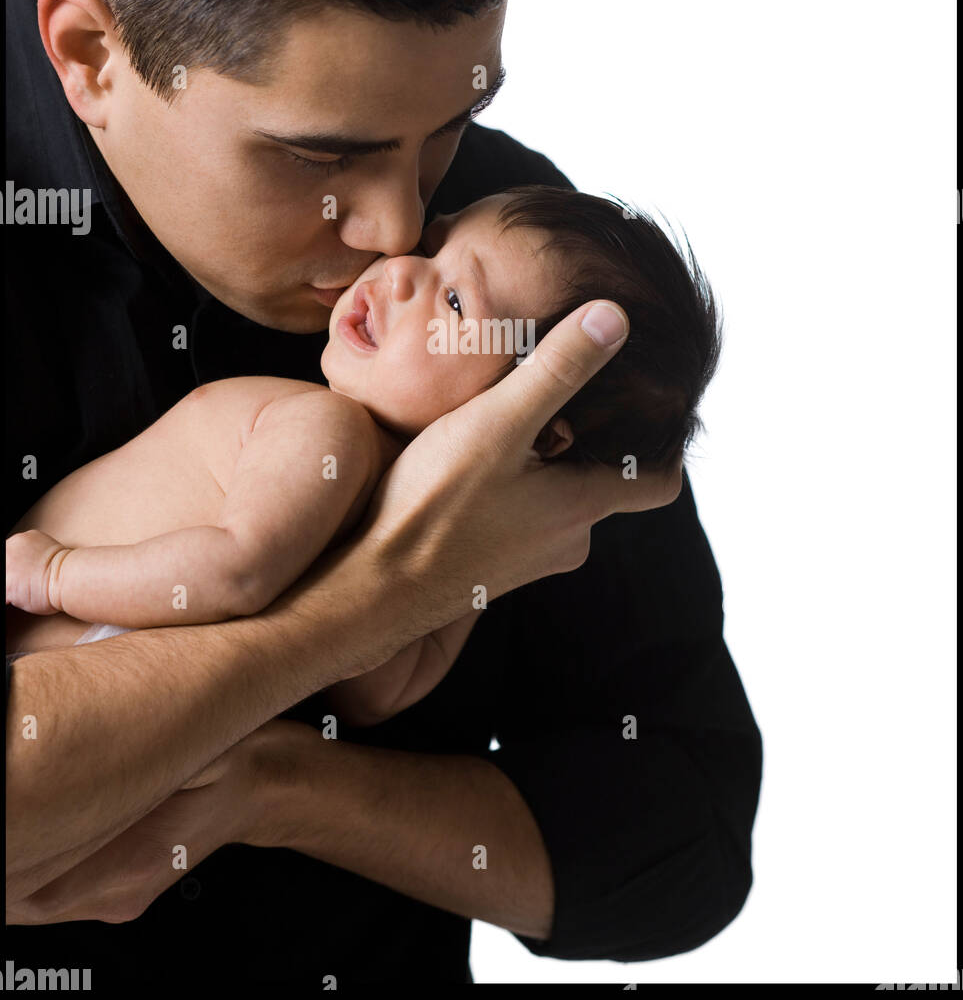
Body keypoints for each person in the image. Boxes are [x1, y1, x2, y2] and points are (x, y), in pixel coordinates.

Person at [5, 0, 761, 987]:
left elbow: (681, 835)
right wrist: (376, 603)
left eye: (446, 128)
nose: (403, 225)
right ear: (89, 56)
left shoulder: (510, 259)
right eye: (323, 155)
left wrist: (279, 785)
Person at [6, 185, 722, 736]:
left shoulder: (346, 443)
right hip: (48, 656)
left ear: (536, 422)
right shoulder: (322, 426)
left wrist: (462, 569)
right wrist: (52, 573)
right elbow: (236, 571)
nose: (401, 269)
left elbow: (371, 683)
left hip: (79, 683)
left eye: (451, 299)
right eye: (433, 244)